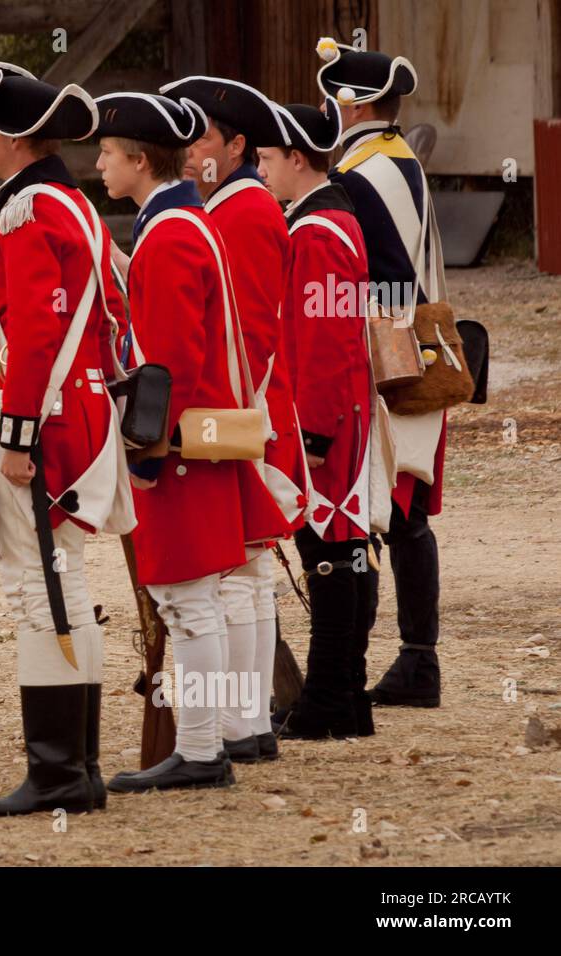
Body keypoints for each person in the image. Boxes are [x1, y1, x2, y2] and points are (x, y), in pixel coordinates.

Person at [93, 91, 287, 792]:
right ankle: (237, 729)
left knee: (186, 596)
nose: (100, 164)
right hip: (208, 431)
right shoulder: (187, 219)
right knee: (223, 587)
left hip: (180, 441)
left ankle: (203, 748)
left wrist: (145, 450)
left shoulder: (171, 232)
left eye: (110, 154)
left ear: (141, 160)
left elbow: (168, 361)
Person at [0, 62, 135, 816]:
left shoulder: (28, 213)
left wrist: (19, 433)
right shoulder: (73, 206)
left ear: (13, 136)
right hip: (83, 414)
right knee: (67, 585)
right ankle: (80, 768)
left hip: (47, 421)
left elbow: (35, 335)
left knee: (42, 592)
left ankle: (59, 772)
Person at [160, 76, 308, 762]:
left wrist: (210, 423)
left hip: (239, 410)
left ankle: (237, 728)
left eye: (204, 139)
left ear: (239, 145)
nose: (192, 152)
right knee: (242, 575)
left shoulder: (244, 211)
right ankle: (243, 727)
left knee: (238, 573)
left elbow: (246, 335)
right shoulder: (234, 204)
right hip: (243, 409)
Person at [316, 38, 446, 708]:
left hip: (388, 363)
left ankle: (377, 661)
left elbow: (387, 285)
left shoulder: (362, 172)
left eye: (331, 97)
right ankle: (417, 661)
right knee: (408, 515)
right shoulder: (397, 159)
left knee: (382, 512)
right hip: (417, 350)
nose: (324, 108)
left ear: (355, 103)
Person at [255, 97, 379, 737]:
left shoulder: (315, 230)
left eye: (268, 157)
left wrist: (314, 433)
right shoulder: (331, 218)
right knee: (346, 553)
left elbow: (325, 339)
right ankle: (346, 698)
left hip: (327, 416)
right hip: (340, 409)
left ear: (297, 158)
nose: (261, 168)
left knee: (330, 556)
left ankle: (331, 700)